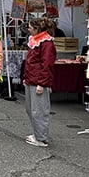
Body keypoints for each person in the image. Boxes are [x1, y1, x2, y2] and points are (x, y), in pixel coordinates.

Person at [22, 17, 56, 147]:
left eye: (30, 27)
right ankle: (37, 133)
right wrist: (26, 77)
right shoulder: (37, 40)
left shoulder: (46, 43)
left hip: (38, 81)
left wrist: (42, 83)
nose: (28, 29)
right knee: (31, 109)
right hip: (32, 79)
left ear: (37, 29)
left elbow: (47, 64)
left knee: (39, 110)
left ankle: (41, 138)